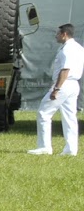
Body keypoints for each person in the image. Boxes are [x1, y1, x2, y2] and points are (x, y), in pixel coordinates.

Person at [30, 23, 84, 156]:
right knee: (70, 117)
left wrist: (56, 89)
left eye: (58, 34)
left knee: (44, 113)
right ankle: (71, 149)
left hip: (64, 84)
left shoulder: (67, 49)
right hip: (74, 84)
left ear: (64, 34)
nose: (56, 36)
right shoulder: (79, 47)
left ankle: (44, 147)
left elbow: (65, 70)